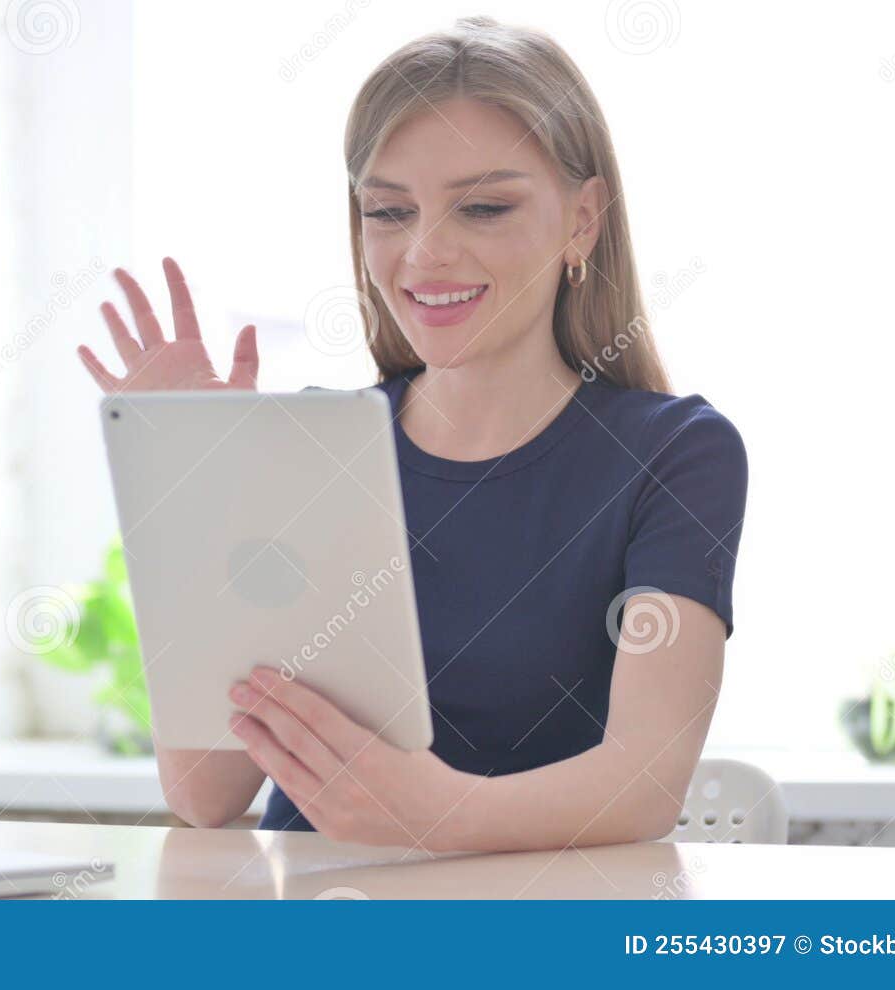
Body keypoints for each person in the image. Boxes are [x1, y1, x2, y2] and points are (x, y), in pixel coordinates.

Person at [77, 16, 747, 852]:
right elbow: (205, 794)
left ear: (583, 220)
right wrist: (194, 487)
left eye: (483, 207)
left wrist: (434, 816)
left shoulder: (676, 452)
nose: (425, 253)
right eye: (389, 212)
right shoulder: (312, 446)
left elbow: (642, 786)